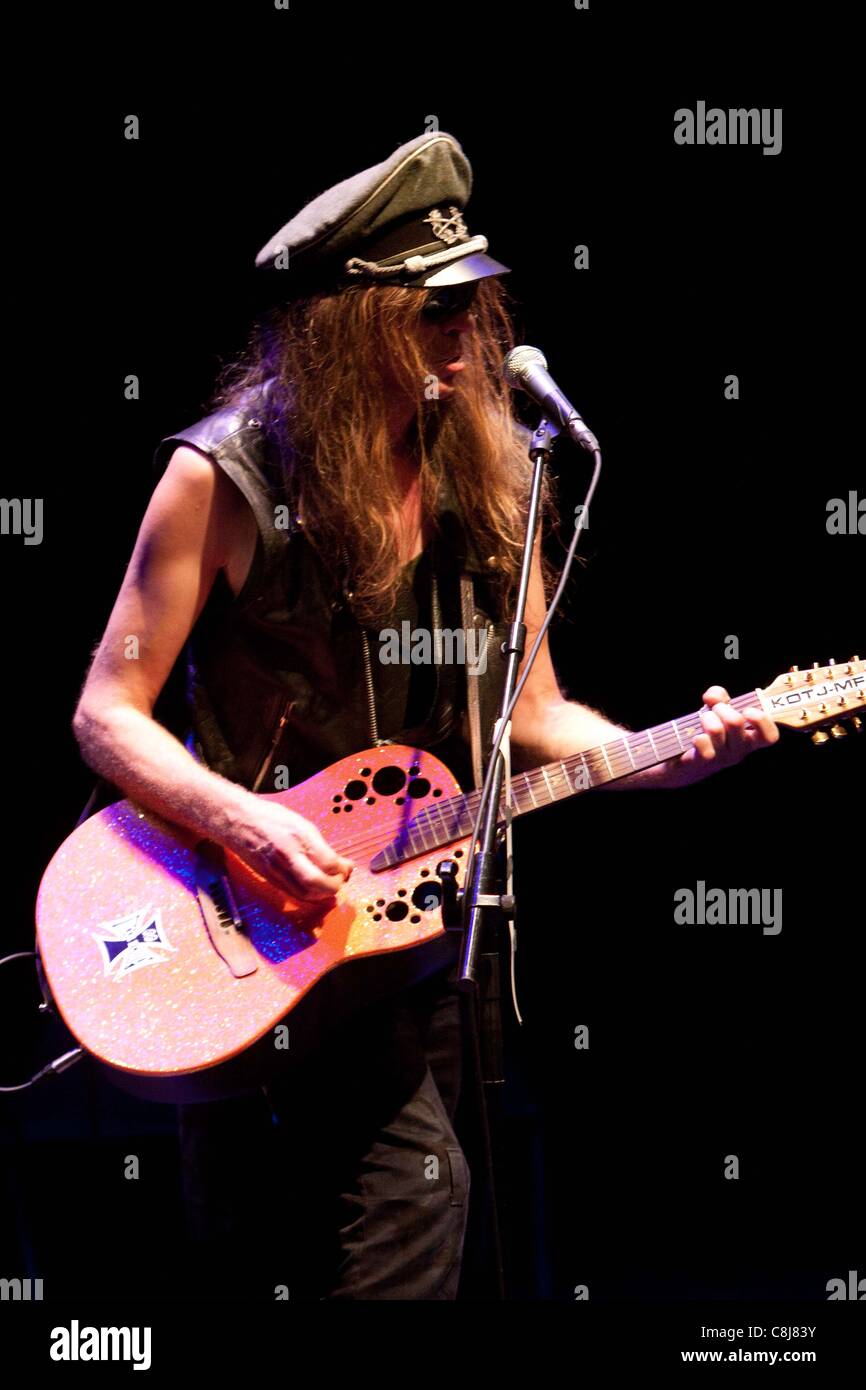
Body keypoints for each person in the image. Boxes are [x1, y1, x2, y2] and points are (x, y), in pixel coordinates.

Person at [71, 131, 780, 1300]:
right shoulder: (224, 477)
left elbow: (537, 720)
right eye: (429, 315)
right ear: (347, 329)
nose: (462, 342)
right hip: (245, 941)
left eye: (469, 310)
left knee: (422, 1221)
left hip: (416, 952)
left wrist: (669, 760)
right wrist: (243, 823)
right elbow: (109, 710)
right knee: (271, 1258)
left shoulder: (495, 470)